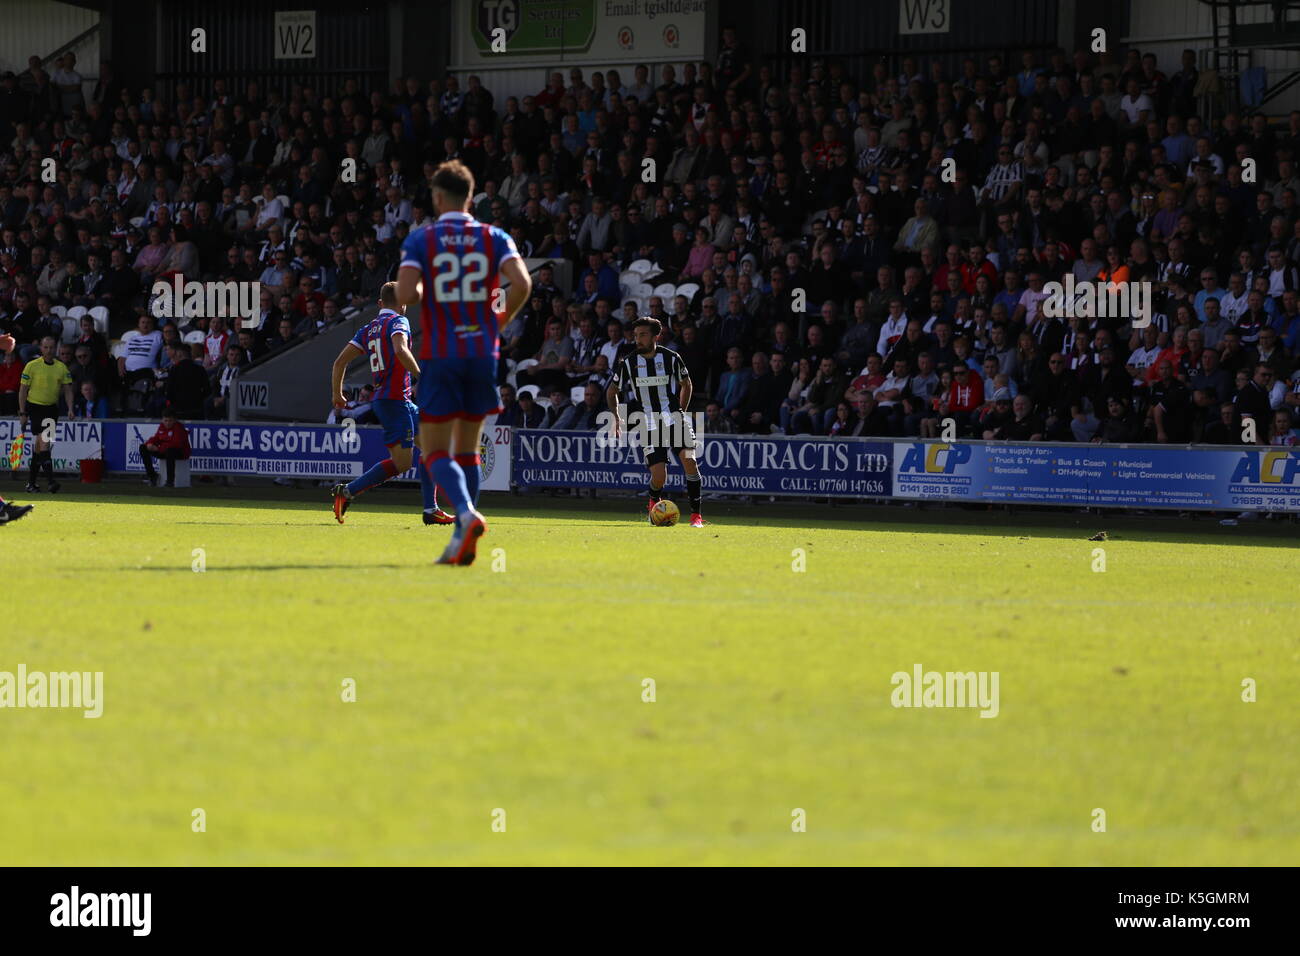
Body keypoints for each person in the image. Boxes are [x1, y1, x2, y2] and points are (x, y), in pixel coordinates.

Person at [396, 160, 532, 566]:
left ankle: (467, 515)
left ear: (438, 197)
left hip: (441, 354)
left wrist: (426, 283)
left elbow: (407, 292)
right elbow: (523, 283)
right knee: (469, 451)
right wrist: (499, 321)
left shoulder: (423, 239)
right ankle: (461, 537)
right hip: (482, 353)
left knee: (434, 451)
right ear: (471, 197)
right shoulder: (495, 236)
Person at [329, 282, 451, 525]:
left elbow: (339, 363)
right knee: (402, 463)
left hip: (396, 401)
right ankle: (348, 491)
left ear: (380, 304)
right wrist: (421, 377)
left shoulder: (367, 329)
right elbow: (400, 350)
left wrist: (337, 395)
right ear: (403, 302)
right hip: (393, 401)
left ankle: (430, 510)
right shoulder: (398, 321)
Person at [606, 316, 706, 527]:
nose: (638, 340)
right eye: (635, 336)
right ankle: (654, 499)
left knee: (690, 461)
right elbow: (612, 391)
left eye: (642, 335)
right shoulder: (629, 363)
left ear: (655, 336)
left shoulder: (671, 357)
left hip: (676, 421)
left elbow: (686, 384)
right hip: (650, 425)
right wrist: (616, 416)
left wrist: (682, 412)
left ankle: (696, 516)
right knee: (659, 476)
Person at [18, 336, 75, 493]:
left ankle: (31, 484)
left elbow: (68, 389)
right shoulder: (31, 366)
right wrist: (23, 412)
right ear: (41, 349)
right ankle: (51, 481)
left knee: (39, 447)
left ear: (55, 348)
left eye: (51, 347)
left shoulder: (61, 368)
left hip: (51, 410)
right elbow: (23, 390)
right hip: (35, 408)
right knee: (45, 443)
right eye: (46, 347)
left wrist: (70, 408)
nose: (49, 351)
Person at [139, 409, 192, 487]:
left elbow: (176, 444)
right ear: (162, 420)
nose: (167, 423)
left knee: (170, 451)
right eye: (165, 420)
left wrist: (158, 449)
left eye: (170, 421)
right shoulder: (162, 426)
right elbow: (157, 438)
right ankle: (152, 476)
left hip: (181, 452)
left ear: (174, 420)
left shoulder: (178, 428)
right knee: (143, 447)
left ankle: (170, 481)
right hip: (165, 451)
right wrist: (150, 444)